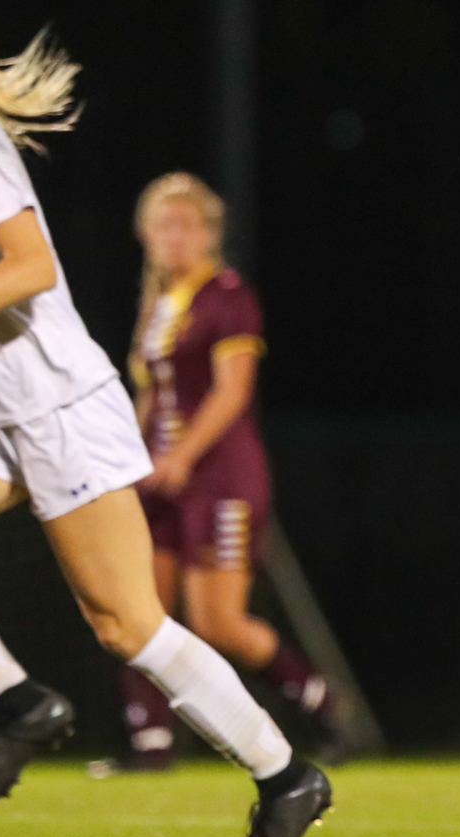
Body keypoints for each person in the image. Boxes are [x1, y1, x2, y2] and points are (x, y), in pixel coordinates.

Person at [0, 0, 329, 837]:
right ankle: (22, 703)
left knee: (128, 623)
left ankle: (286, 774)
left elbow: (30, 269)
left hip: (59, 407)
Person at [101, 172, 342, 773]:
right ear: (145, 236)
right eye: (162, 226)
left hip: (219, 479)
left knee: (218, 623)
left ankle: (319, 701)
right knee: (139, 610)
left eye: (187, 225)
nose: (174, 237)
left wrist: (183, 456)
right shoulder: (158, 306)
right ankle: (150, 745)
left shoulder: (229, 295)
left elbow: (233, 393)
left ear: (209, 233)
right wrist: (125, 459)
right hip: (158, 478)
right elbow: (152, 399)